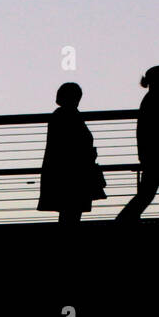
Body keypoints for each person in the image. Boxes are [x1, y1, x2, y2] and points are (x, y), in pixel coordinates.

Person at [116, 65, 159, 221]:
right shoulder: (157, 100)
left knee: (148, 196)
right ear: (158, 81)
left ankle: (123, 221)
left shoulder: (153, 99)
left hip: (154, 157)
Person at [38, 82, 106, 224]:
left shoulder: (61, 115)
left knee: (69, 214)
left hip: (68, 174)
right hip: (74, 174)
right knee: (72, 213)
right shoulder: (69, 116)